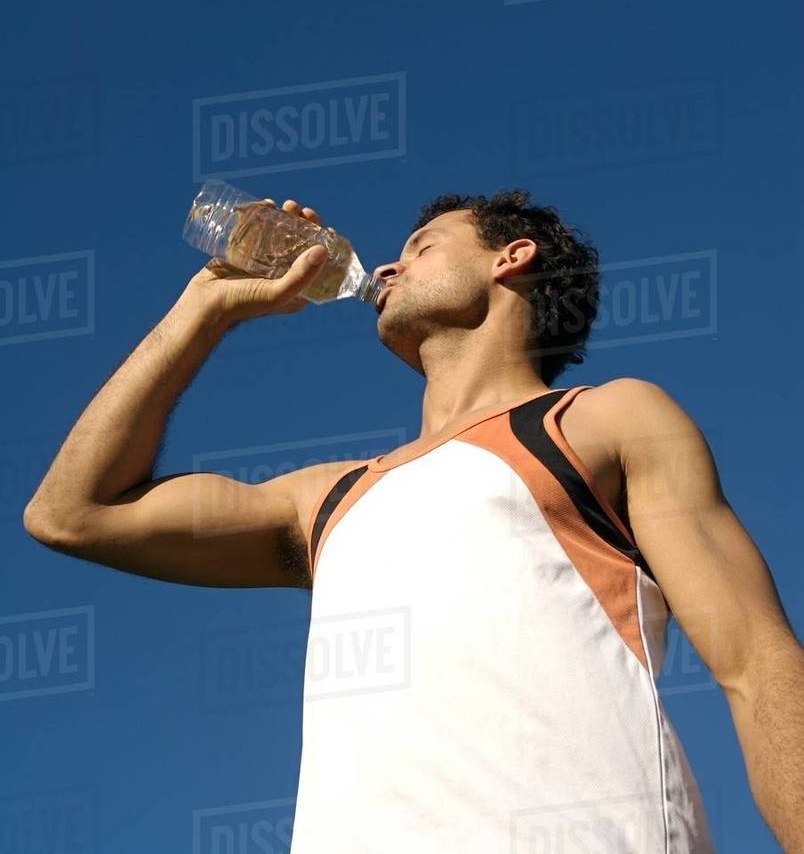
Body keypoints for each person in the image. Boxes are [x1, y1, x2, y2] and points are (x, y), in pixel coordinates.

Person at [23, 191, 803, 852]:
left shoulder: (602, 420)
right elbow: (71, 512)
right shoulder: (328, 498)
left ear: (513, 258)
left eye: (424, 246)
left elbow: (755, 662)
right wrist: (204, 308)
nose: (388, 268)